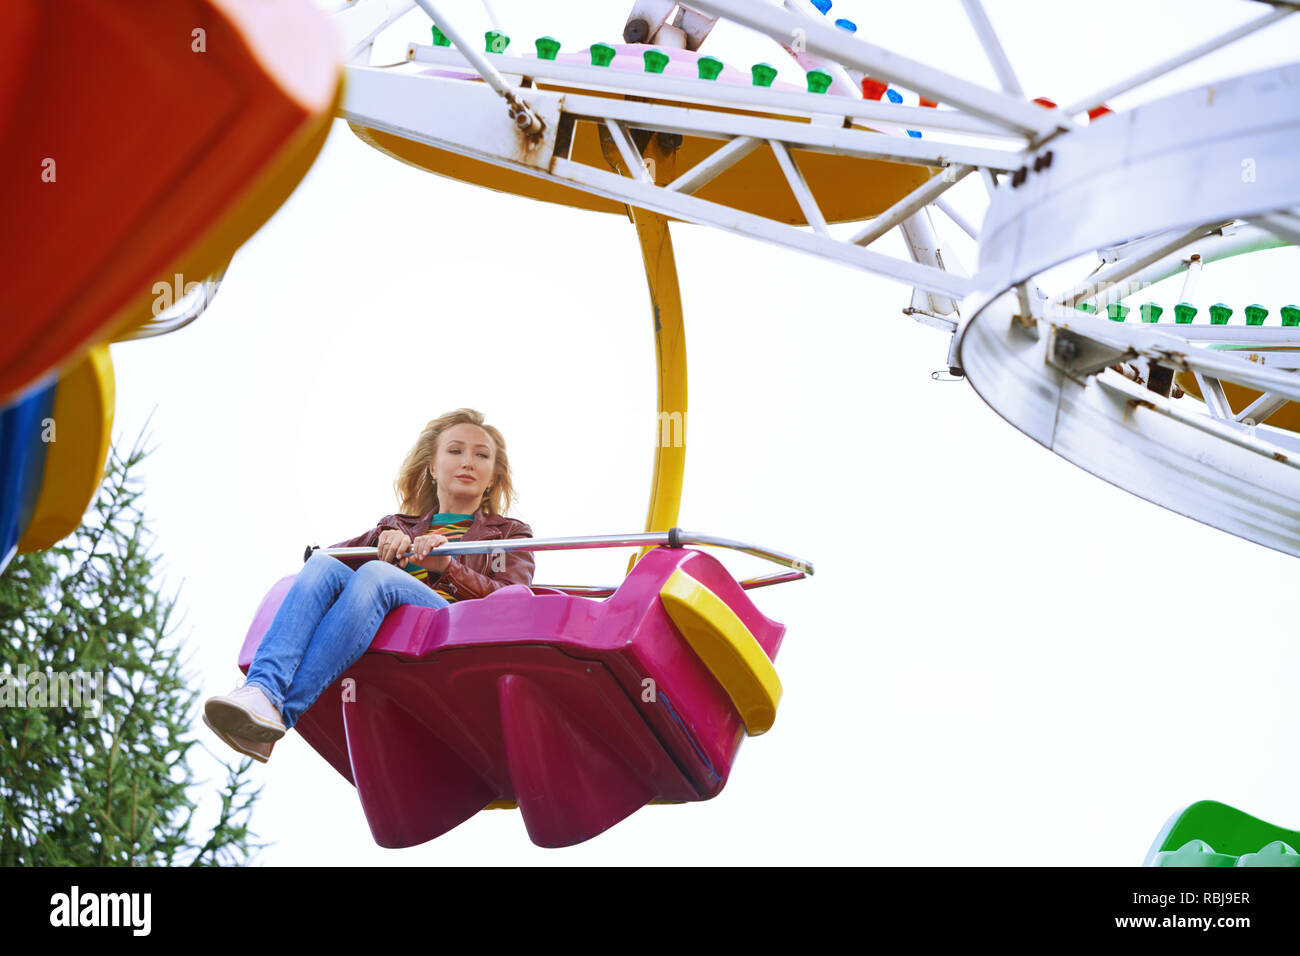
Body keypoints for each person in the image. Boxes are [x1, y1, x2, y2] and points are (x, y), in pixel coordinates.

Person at [203, 408, 535, 763]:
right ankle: (261, 690)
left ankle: (281, 714)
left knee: (379, 575)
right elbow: (324, 563)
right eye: (455, 451)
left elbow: (511, 601)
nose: (468, 461)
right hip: (384, 621)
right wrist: (382, 543)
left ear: (492, 477)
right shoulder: (397, 524)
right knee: (324, 567)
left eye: (481, 455)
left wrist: (446, 569)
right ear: (433, 467)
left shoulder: (509, 533)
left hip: (452, 626)